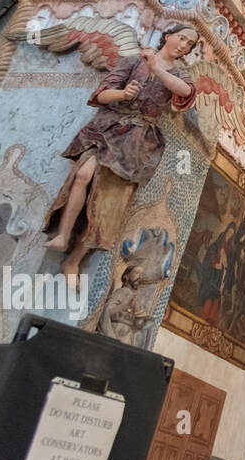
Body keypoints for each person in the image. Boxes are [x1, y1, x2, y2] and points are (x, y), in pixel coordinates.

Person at [43, 24, 198, 286]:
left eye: (190, 44)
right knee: (83, 175)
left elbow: (184, 92)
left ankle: (74, 260)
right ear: (168, 36)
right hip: (109, 127)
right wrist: (124, 94)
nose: (183, 45)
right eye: (181, 37)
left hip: (138, 143)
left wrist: (156, 68)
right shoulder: (133, 60)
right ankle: (63, 235)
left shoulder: (181, 73)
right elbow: (102, 94)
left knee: (109, 205)